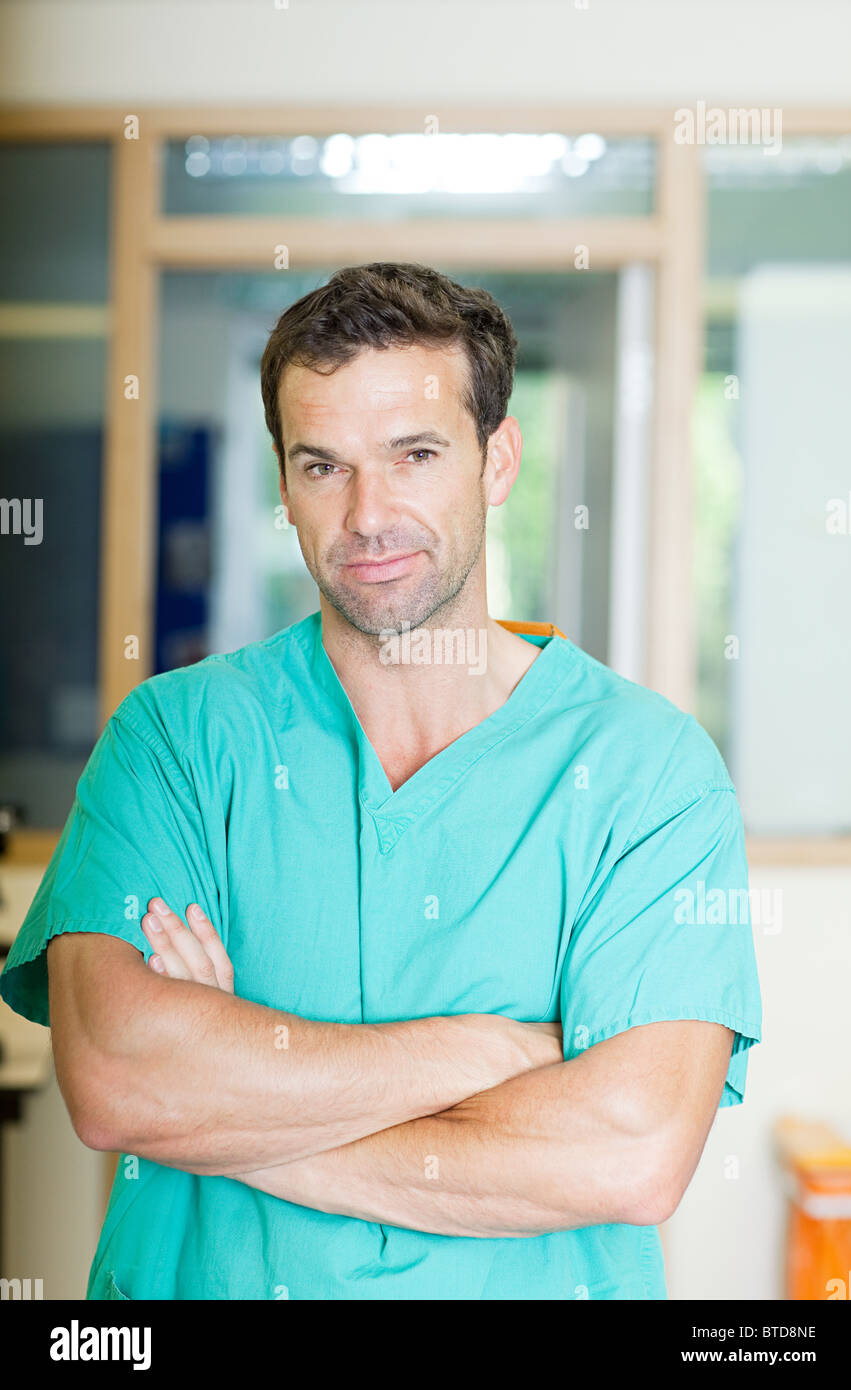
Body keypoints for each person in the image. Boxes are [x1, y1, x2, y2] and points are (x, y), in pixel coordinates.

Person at [0, 262, 762, 1301]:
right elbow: (120, 1079)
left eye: (413, 454)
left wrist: (233, 1123)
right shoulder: (175, 742)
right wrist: (484, 1051)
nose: (367, 514)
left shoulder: (645, 773)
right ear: (282, 480)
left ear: (497, 459)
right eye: (322, 465)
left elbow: (625, 1152)